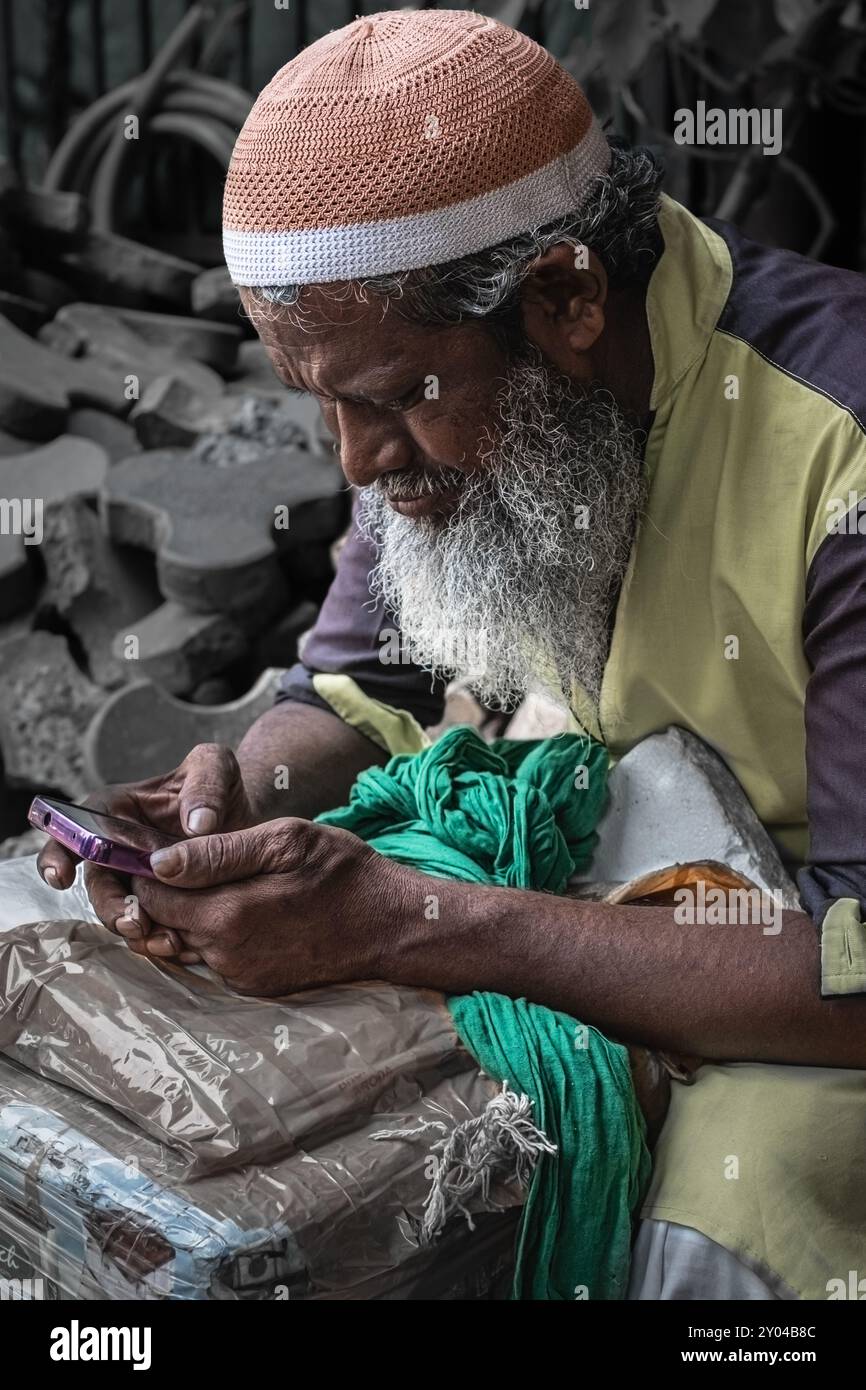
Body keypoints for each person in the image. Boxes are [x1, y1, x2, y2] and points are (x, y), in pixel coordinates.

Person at [38, 9, 866, 1299]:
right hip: (593, 895)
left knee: (725, 1226)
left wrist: (417, 921)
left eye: (387, 399)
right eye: (322, 399)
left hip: (803, 979)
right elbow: (362, 683)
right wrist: (234, 801)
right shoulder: (454, 397)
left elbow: (857, 971)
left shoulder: (840, 450)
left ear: (568, 297)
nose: (356, 460)